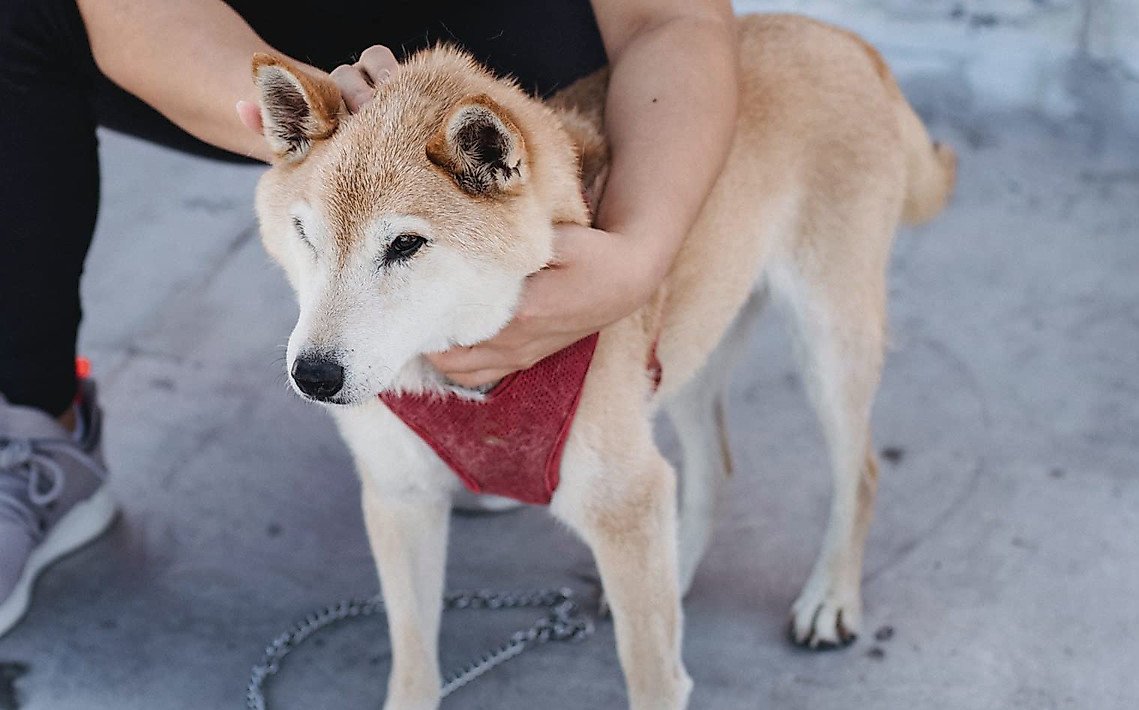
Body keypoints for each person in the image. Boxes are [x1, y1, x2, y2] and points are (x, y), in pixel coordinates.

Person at [0, 0, 738, 637]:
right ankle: (37, 428)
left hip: (508, 37)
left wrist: (640, 254)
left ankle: (493, 366)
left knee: (487, 186)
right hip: (246, 37)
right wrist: (312, 131)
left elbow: (670, 17)